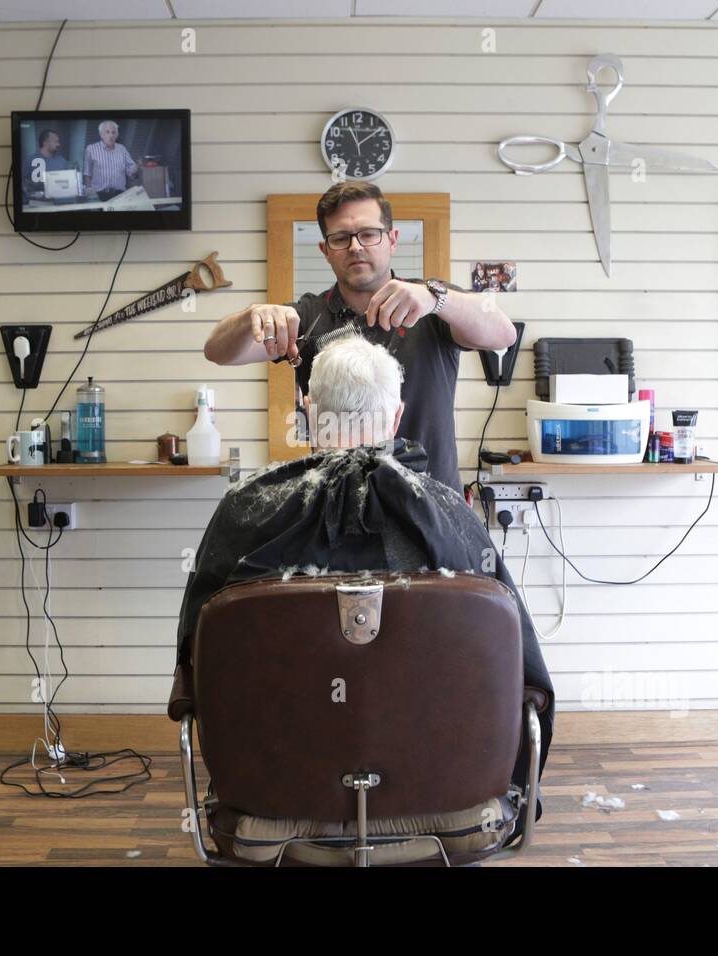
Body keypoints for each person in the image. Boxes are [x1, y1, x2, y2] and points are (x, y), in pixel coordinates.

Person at [176, 331, 554, 818]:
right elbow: (524, 673)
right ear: (396, 417)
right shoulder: (450, 518)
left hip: (277, 796)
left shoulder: (245, 513)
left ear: (309, 411)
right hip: (442, 796)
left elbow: (195, 664)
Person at [203, 181, 518, 491]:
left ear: (392, 239)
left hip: (430, 509)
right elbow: (218, 351)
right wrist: (252, 316)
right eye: (341, 238)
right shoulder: (307, 318)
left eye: (368, 234)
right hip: (340, 510)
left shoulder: (432, 306)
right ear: (326, 250)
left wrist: (437, 298)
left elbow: (503, 335)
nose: (355, 246)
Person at [82, 120, 138, 203]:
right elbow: (87, 174)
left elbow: (131, 174)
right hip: (99, 195)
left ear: (117, 135)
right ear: (101, 135)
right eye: (107, 132)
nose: (111, 135)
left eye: (113, 132)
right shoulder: (91, 149)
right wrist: (91, 196)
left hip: (120, 195)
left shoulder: (122, 149)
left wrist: (134, 171)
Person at [26, 130, 69, 195]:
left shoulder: (62, 161)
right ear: (45, 143)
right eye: (56, 142)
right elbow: (23, 183)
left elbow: (68, 183)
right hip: (37, 202)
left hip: (59, 200)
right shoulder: (31, 160)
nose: (58, 144)